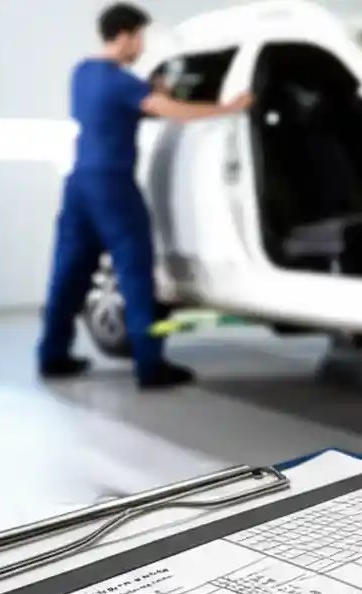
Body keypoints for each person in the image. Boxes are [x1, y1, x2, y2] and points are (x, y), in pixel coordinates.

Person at [37, 3, 253, 389]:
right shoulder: (122, 82)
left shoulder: (82, 73)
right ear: (125, 36)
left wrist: (149, 91)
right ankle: (150, 367)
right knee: (135, 272)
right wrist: (227, 108)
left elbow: (118, 112)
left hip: (79, 184)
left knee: (68, 272)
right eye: (139, 37)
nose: (141, 46)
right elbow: (171, 111)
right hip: (113, 186)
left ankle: (52, 356)